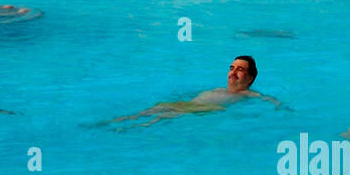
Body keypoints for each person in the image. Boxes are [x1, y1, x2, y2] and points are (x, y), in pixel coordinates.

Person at [110, 55, 284, 128]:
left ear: (251, 77)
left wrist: (280, 108)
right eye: (232, 68)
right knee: (155, 109)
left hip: (204, 109)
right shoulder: (218, 89)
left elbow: (270, 101)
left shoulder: (248, 94)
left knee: (162, 116)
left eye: (240, 69)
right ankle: (118, 121)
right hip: (190, 105)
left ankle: (134, 127)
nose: (233, 72)